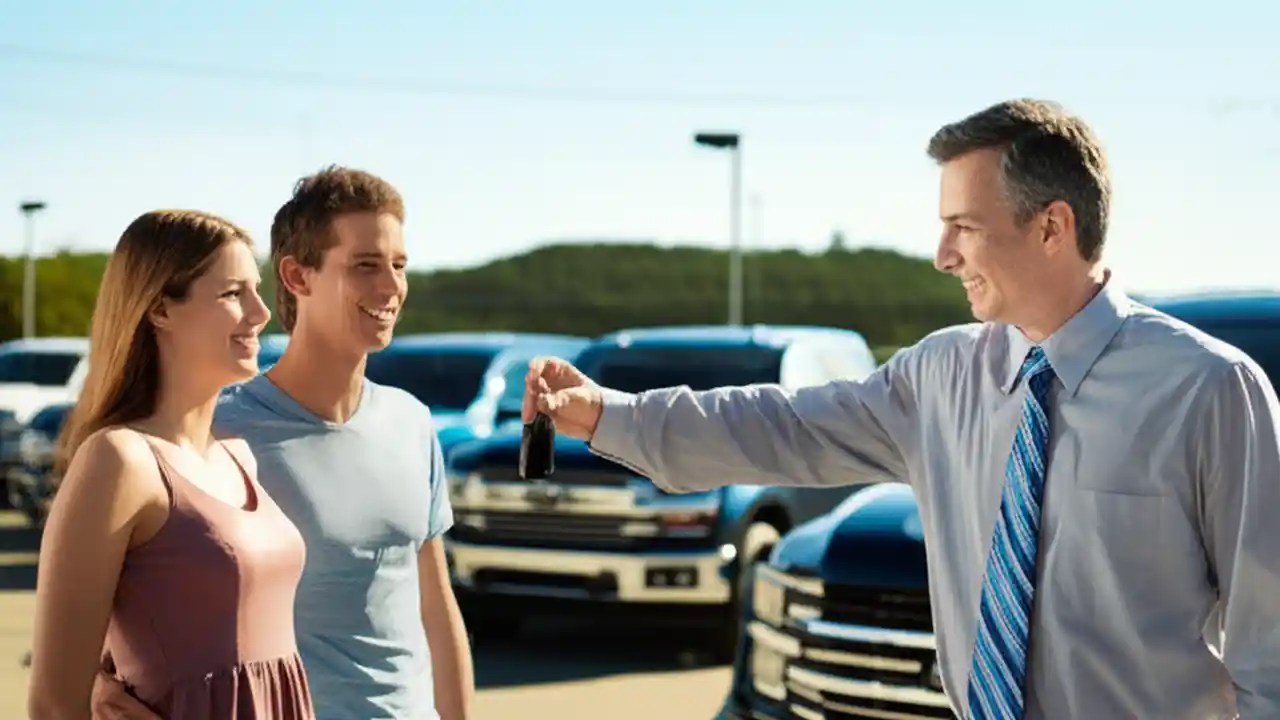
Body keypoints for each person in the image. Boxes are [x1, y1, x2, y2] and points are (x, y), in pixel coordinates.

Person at [524, 99, 1280, 719]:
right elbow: (782, 425)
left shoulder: (1210, 390)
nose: (942, 255)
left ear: (1053, 226)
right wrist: (609, 415)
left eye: (965, 227)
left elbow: (1270, 646)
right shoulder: (939, 376)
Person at [28, 210, 315, 719]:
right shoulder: (120, 460)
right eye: (232, 293)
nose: (260, 312)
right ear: (160, 308)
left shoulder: (237, 455)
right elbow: (53, 705)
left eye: (257, 290)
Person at [213, 166, 472, 719]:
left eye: (399, 265)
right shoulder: (224, 430)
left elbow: (434, 606)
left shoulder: (411, 422)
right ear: (297, 276)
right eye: (365, 265)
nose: (391, 287)